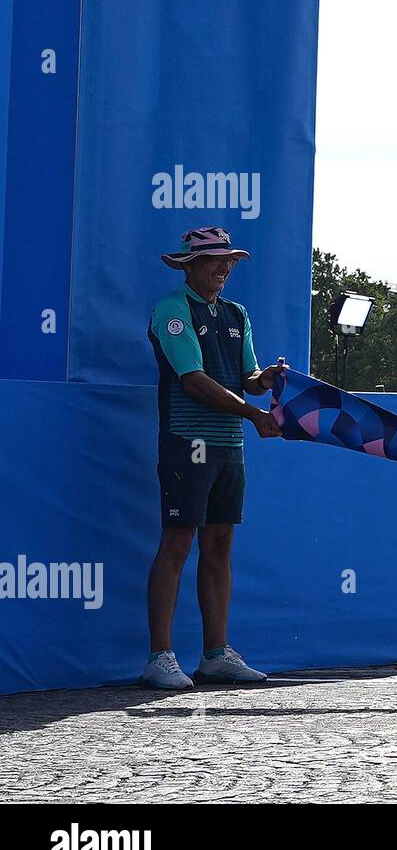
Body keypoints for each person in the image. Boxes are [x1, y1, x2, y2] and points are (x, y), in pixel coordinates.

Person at [141, 227, 285, 690]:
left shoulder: (237, 313)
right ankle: (160, 657)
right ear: (189, 265)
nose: (224, 268)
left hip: (228, 444)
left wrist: (270, 379)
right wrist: (253, 413)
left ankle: (215, 654)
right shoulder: (171, 309)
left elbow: (247, 377)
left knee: (220, 543)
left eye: (230, 261)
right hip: (186, 439)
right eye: (213, 261)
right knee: (178, 541)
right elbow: (193, 380)